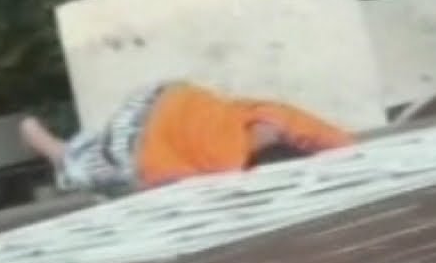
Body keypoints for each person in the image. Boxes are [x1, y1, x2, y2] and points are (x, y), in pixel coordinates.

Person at [21, 79, 355, 196]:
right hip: (144, 138)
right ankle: (55, 148)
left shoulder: (278, 119)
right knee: (100, 172)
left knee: (111, 152)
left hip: (169, 94)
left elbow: (343, 144)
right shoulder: (225, 167)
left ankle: (54, 143)